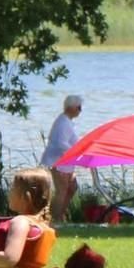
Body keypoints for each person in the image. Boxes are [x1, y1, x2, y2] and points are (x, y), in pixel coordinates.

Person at [41, 94, 84, 223]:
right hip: (58, 162)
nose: (80, 111)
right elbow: (61, 143)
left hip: (67, 162)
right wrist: (75, 152)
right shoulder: (63, 123)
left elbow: (72, 141)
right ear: (71, 108)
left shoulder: (68, 122)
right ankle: (55, 219)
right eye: (79, 108)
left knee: (72, 187)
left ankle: (59, 214)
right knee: (62, 191)